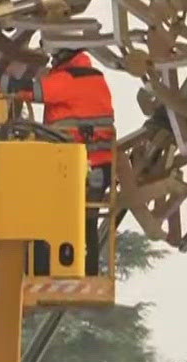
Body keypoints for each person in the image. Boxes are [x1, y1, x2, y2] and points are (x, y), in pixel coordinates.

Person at [8, 38, 116, 274]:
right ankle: (85, 271)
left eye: (53, 56)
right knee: (86, 221)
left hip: (79, 166)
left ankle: (44, 267)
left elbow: (29, 91)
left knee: (45, 212)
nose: (51, 61)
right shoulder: (92, 77)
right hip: (96, 165)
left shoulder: (70, 79)